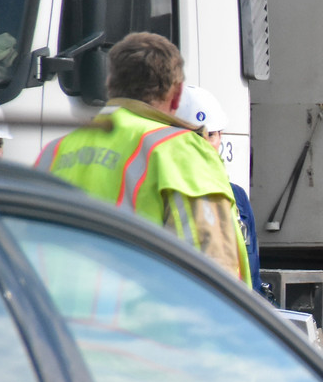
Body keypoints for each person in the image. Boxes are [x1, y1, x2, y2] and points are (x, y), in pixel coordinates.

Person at [34, 33, 250, 285]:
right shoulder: (181, 150)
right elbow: (211, 271)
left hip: (51, 320)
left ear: (110, 83)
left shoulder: (54, 151)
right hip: (142, 322)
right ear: (178, 94)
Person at [174, 83, 263, 295]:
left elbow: (252, 274)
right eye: (195, 135)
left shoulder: (237, 197)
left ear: (221, 136)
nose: (205, 143)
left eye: (211, 134)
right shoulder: (167, 191)